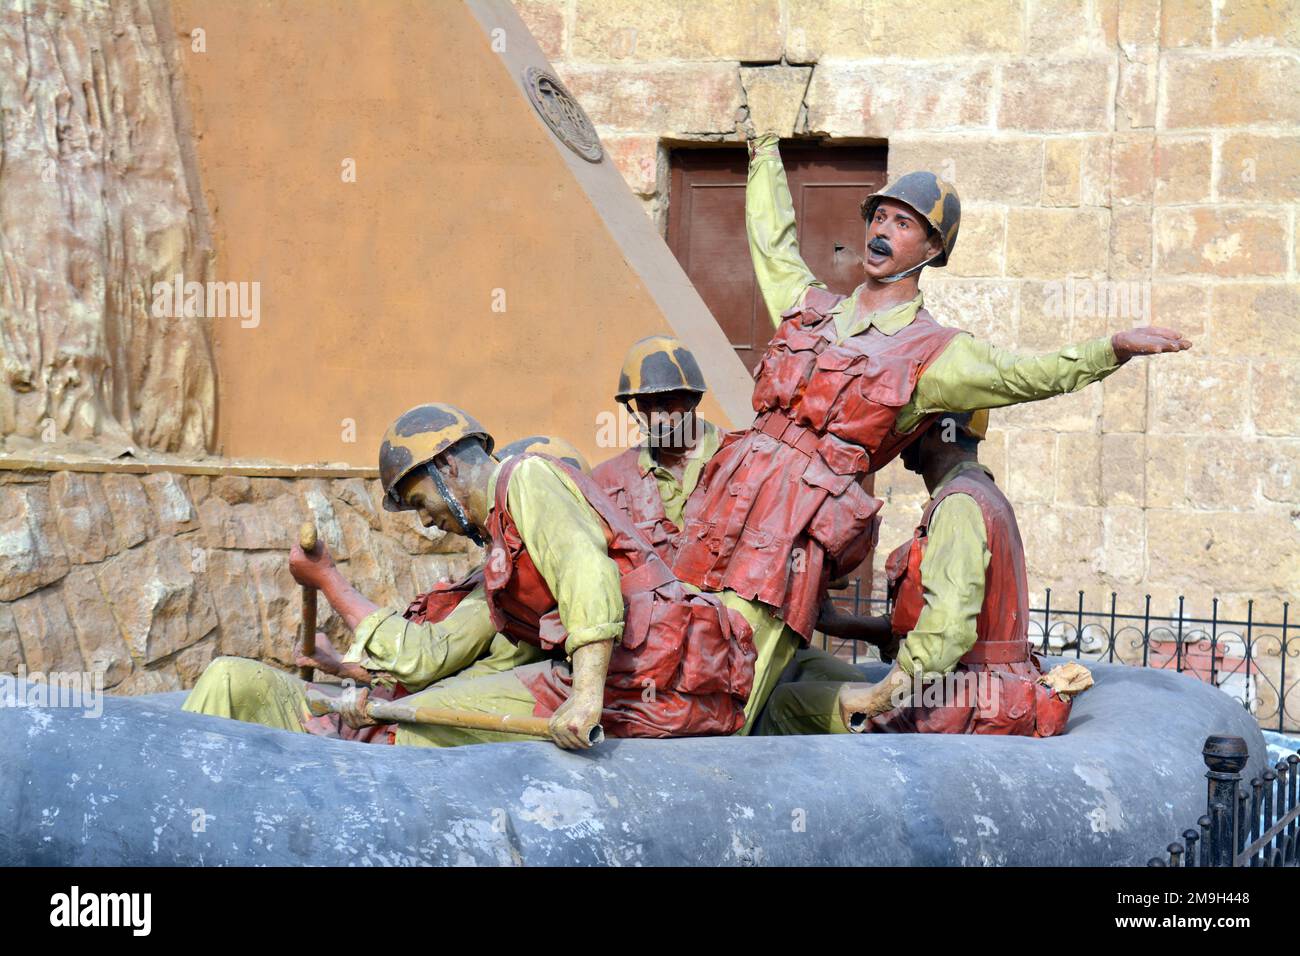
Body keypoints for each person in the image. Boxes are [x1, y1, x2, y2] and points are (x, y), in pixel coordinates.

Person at [669, 117, 1192, 726]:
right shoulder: (808, 307)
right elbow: (772, 243)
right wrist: (762, 154)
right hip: (725, 505)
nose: (883, 232)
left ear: (933, 249)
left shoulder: (935, 352)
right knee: (678, 645)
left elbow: (1025, 373)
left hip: (791, 527)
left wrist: (1112, 349)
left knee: (730, 690)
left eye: (904, 224)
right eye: (880, 218)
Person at [321, 403, 755, 749]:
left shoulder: (525, 477)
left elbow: (584, 573)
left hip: (649, 675)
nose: (427, 522)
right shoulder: (504, 534)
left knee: (423, 732)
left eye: (420, 501)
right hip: (625, 676)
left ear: (448, 466)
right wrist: (389, 702)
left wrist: (585, 698)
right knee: (418, 717)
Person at [758, 410, 1092, 737]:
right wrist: (843, 623)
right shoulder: (978, 492)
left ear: (937, 430)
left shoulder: (959, 504)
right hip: (979, 687)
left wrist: (875, 699)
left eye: (911, 425)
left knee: (785, 705)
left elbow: (944, 635)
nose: (900, 437)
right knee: (816, 672)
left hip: (964, 700)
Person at [592, 335, 721, 564]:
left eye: (667, 401)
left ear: (693, 398)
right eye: (645, 404)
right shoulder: (607, 481)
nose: (657, 416)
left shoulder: (741, 459)